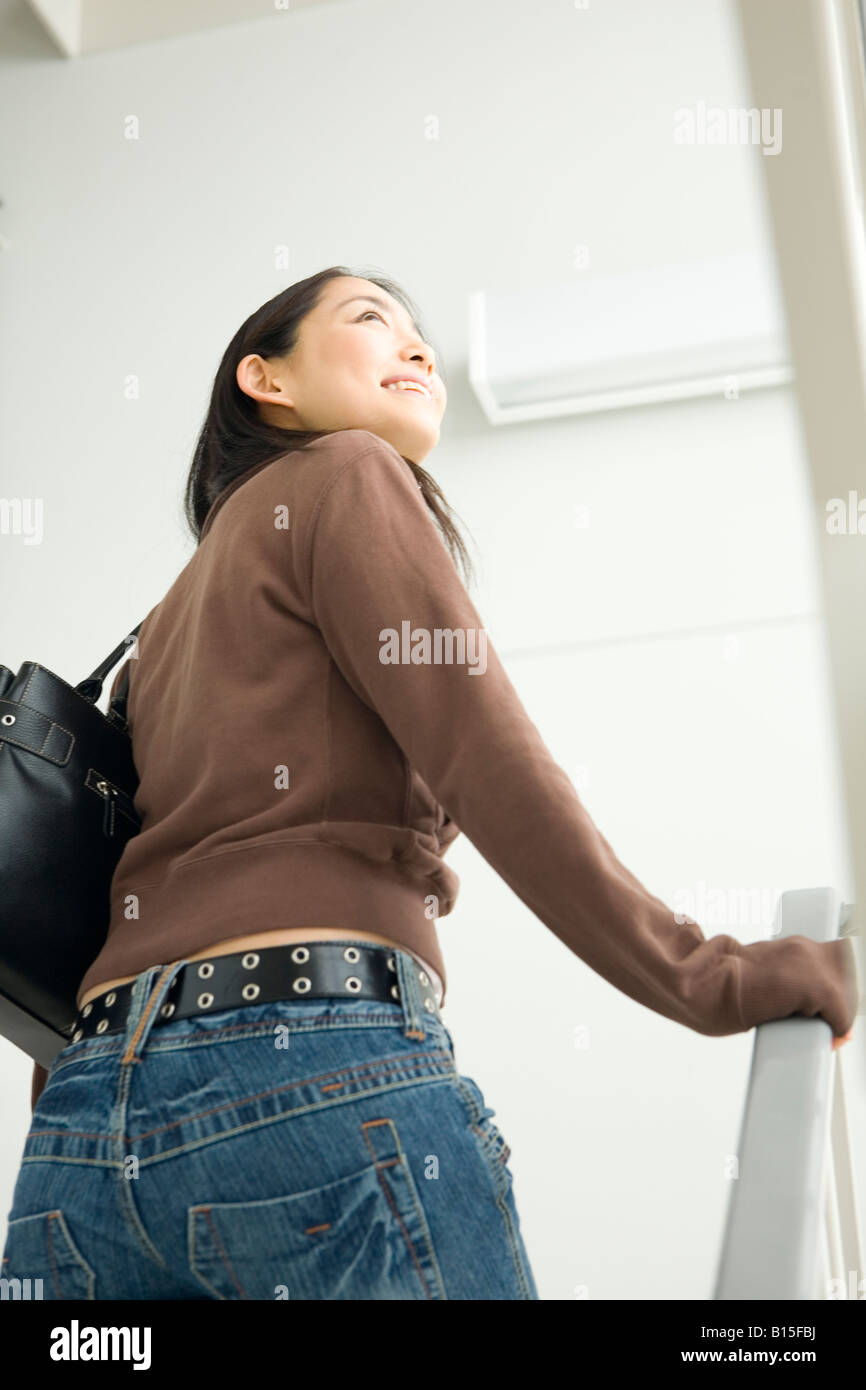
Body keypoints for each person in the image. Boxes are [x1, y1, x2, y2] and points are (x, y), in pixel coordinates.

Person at [7, 266, 859, 1302]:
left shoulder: (162, 625)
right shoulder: (347, 474)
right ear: (263, 379)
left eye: (421, 335)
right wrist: (708, 973)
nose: (417, 350)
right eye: (372, 320)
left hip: (82, 1144)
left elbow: (99, 902)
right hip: (308, 1079)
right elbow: (485, 758)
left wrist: (84, 1116)